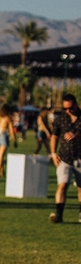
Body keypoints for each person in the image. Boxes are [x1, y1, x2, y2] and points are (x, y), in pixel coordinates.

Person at [49, 94, 81, 224]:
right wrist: (53, 153)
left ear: (76, 104)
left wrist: (77, 135)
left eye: (70, 108)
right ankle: (58, 215)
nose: (68, 111)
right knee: (62, 185)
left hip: (80, 157)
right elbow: (54, 136)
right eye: (65, 108)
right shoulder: (60, 119)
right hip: (65, 157)